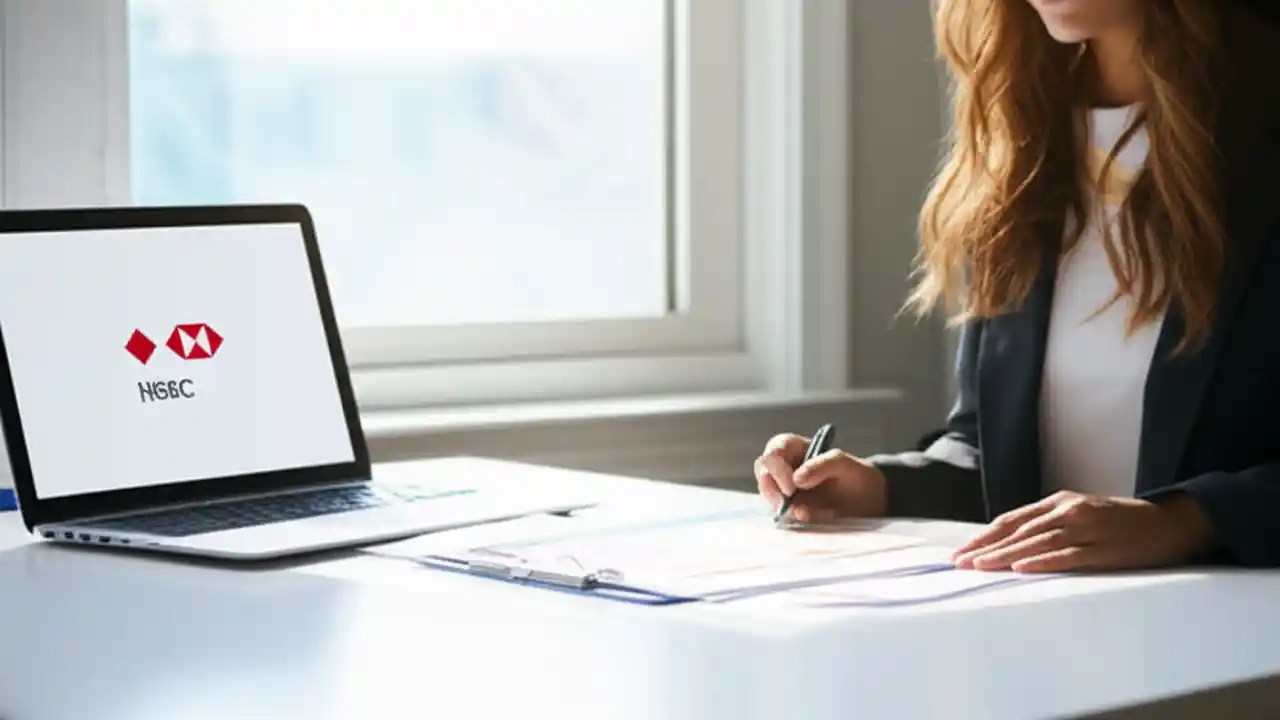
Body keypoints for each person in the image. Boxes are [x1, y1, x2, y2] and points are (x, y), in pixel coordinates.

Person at [755, 0, 1280, 572]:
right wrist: (880, 485)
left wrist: (1185, 521)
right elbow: (993, 449)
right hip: (1050, 626)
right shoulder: (1024, 147)